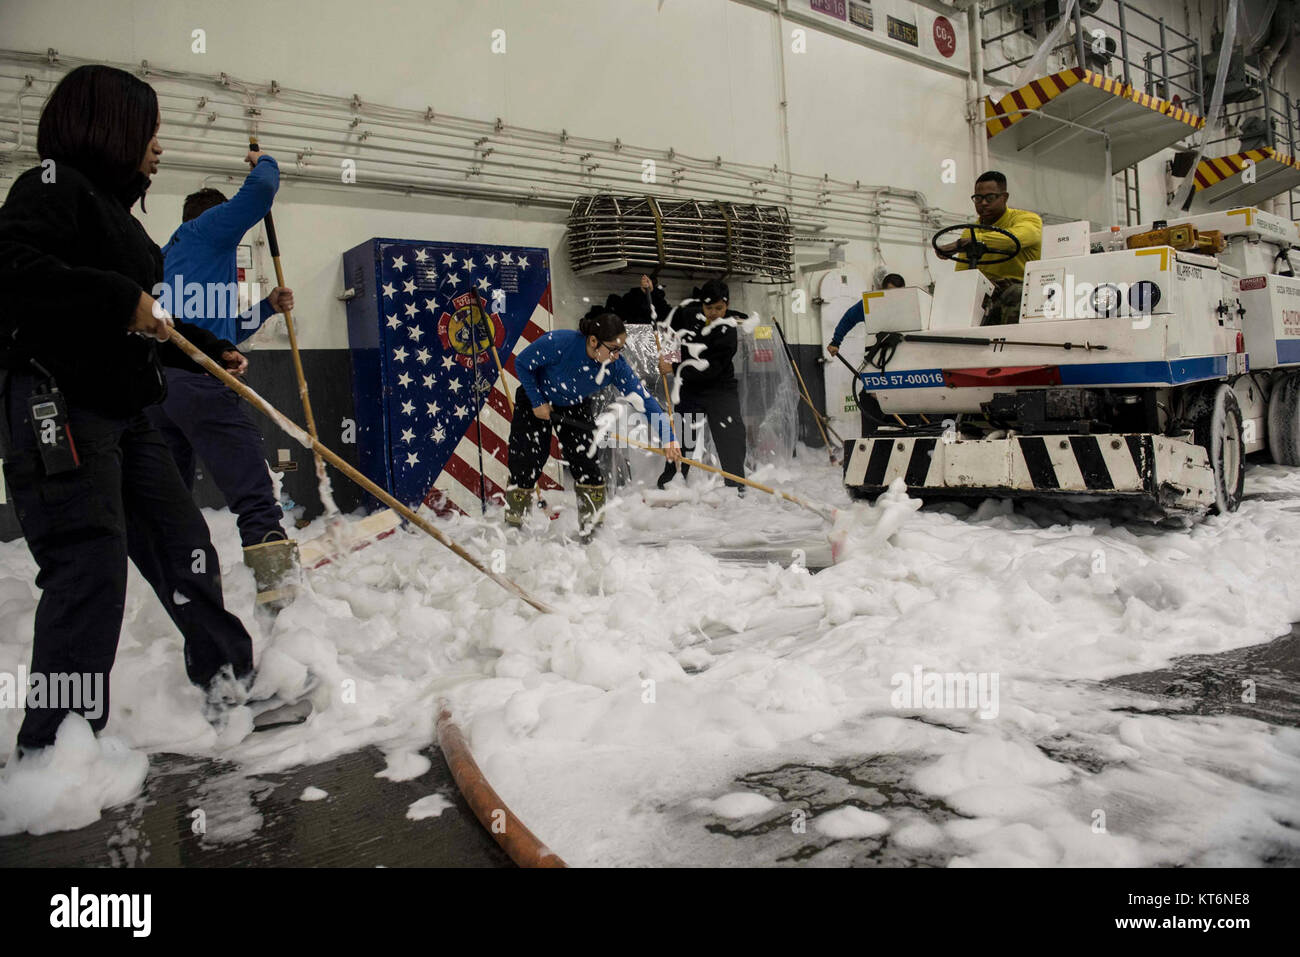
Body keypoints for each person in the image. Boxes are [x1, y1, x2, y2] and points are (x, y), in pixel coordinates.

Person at [0, 65, 261, 755]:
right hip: (57, 402)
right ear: (110, 128)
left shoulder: (118, 218)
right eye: (149, 132)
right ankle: (56, 749)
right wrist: (118, 300)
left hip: (128, 412)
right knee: (89, 567)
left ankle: (229, 680)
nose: (159, 147)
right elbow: (12, 270)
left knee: (186, 548)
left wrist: (204, 347)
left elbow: (153, 319)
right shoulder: (49, 189)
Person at [145, 152, 298, 608]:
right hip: (201, 386)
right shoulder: (208, 230)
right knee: (256, 496)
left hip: (159, 391)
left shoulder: (169, 256)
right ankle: (282, 604)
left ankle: (183, 596)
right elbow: (262, 191)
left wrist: (268, 305)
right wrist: (262, 161)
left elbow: (220, 332)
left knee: (171, 502)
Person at [507, 310, 681, 539]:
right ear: (593, 341)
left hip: (574, 405)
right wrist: (538, 401)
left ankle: (593, 533)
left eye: (621, 349)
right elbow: (522, 363)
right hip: (535, 399)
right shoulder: (560, 342)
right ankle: (512, 529)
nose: (618, 355)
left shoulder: (615, 367)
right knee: (527, 463)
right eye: (613, 349)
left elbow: (645, 401)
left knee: (587, 467)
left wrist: (669, 437)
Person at [655, 279, 748, 492]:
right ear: (701, 304)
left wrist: (675, 367)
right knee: (682, 437)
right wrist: (668, 357)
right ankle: (672, 481)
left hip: (720, 388)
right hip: (690, 390)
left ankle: (736, 486)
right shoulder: (689, 315)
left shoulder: (728, 330)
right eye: (709, 308)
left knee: (730, 437)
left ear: (727, 305)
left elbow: (711, 368)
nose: (714, 312)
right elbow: (669, 326)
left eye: (719, 308)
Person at [936, 170, 1042, 325]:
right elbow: (963, 275)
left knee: (1015, 294)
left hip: (1021, 288)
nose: (983, 203)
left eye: (990, 198)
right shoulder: (970, 231)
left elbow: (1013, 240)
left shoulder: (1027, 219)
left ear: (1004, 197)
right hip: (985, 294)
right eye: (978, 198)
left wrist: (964, 243)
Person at [825, 272, 905, 359]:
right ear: (883, 289)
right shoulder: (871, 302)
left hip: (906, 351)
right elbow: (848, 319)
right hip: (877, 353)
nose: (896, 296)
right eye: (892, 292)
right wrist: (835, 342)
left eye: (900, 292)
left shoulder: (911, 302)